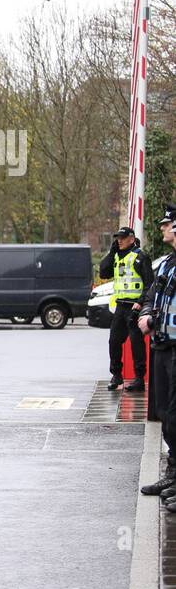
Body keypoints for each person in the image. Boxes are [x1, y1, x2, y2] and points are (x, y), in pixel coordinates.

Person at [140, 205, 176, 507]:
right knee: (165, 411)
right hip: (163, 347)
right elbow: (152, 294)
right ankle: (173, 475)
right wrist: (149, 313)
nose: (162, 228)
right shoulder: (166, 263)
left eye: (167, 224)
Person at [101, 225, 153, 392]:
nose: (119, 241)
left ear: (131, 239)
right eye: (117, 238)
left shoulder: (140, 257)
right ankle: (116, 375)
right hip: (120, 307)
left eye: (122, 238)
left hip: (135, 307)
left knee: (136, 343)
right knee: (114, 341)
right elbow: (103, 272)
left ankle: (139, 378)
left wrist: (140, 303)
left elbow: (149, 285)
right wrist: (111, 252)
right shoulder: (117, 256)